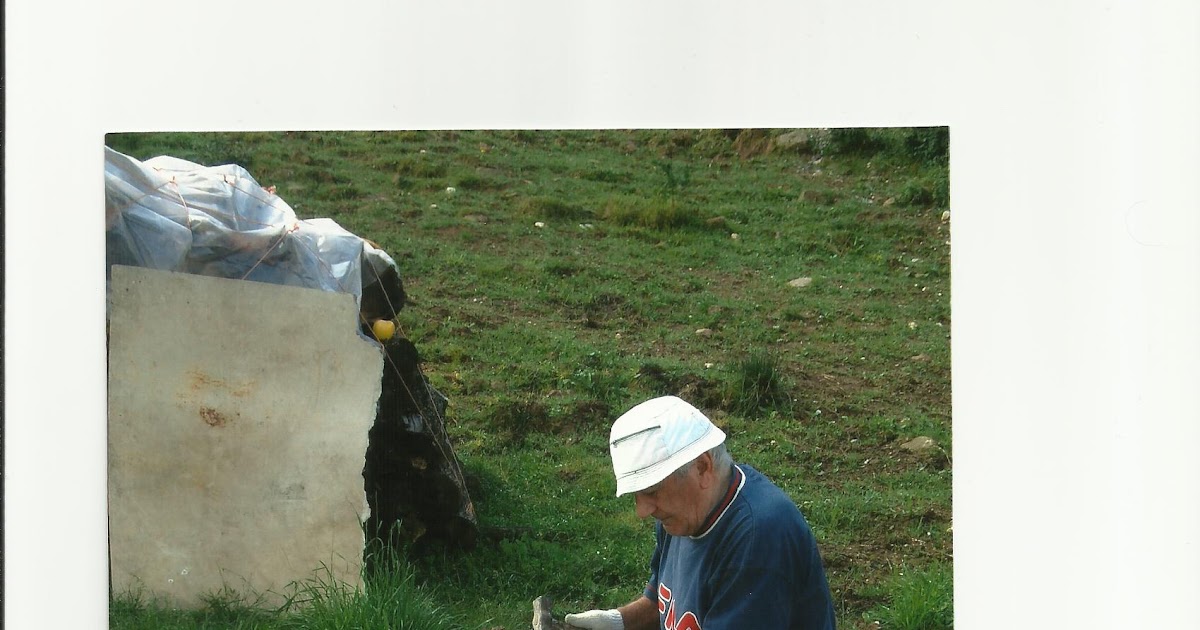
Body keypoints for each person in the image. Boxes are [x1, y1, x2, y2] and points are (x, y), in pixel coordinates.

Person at [564, 395, 836, 630]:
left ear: (703, 467)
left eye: (652, 491)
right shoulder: (684, 513)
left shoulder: (758, 539)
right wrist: (618, 622)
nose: (642, 511)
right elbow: (661, 602)